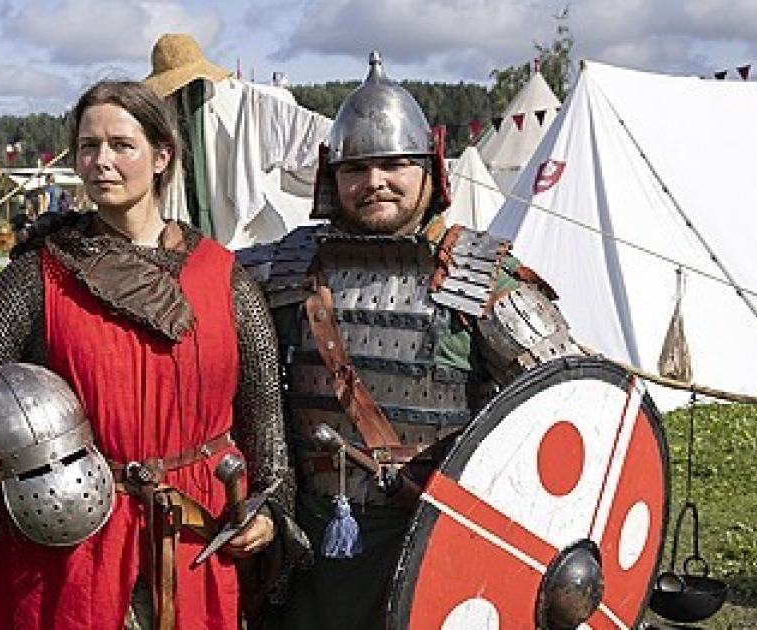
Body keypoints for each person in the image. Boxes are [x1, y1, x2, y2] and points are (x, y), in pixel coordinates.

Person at [0, 80, 305, 630]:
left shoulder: (224, 277)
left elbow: (263, 413)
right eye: (88, 146)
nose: (102, 161)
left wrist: (268, 506)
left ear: (162, 156)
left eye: (122, 145)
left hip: (194, 529)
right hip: (73, 531)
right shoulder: (41, 274)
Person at [239, 53, 583, 630]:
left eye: (394, 164)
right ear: (331, 178)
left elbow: (563, 406)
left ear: (429, 170)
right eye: (356, 168)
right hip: (312, 544)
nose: (374, 182)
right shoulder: (283, 268)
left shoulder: (478, 274)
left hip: (435, 538)